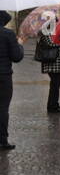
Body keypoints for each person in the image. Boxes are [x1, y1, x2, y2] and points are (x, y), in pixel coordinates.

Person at [0, 11, 21, 150]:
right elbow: (17, 57)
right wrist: (19, 45)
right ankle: (2, 140)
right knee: (2, 108)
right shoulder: (8, 34)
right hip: (4, 76)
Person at [37, 27, 60, 113]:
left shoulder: (51, 32)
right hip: (51, 63)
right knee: (55, 84)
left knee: (55, 84)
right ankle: (52, 106)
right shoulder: (45, 32)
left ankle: (53, 104)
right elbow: (51, 43)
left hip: (55, 64)